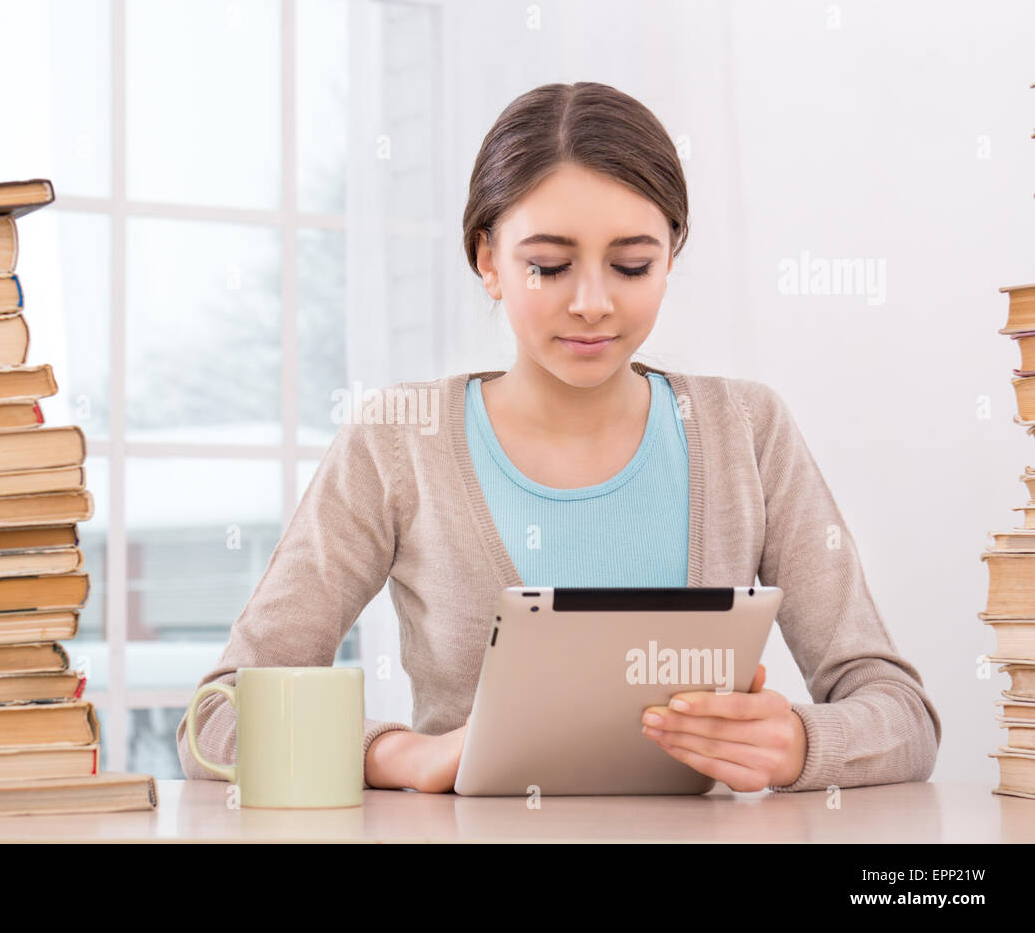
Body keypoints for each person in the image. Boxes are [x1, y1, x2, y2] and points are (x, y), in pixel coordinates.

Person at [177, 81, 941, 794]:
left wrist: (805, 743)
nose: (593, 303)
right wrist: (398, 754)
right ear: (487, 260)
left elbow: (902, 715)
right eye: (548, 265)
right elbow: (216, 722)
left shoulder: (748, 430)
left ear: (671, 256)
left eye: (633, 265)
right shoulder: (398, 439)